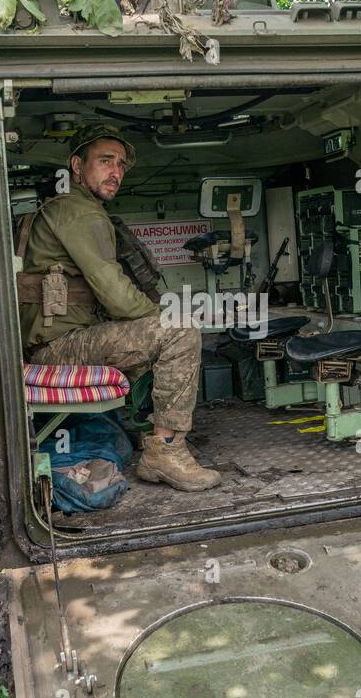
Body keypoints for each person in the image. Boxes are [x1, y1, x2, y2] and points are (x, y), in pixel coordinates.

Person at [18, 125, 221, 492]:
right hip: (59, 347)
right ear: (77, 166)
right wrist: (160, 318)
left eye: (121, 165)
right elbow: (114, 294)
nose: (116, 172)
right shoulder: (79, 212)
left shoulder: (71, 209)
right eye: (105, 161)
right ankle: (165, 453)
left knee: (167, 328)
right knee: (179, 330)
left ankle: (159, 442)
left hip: (60, 341)